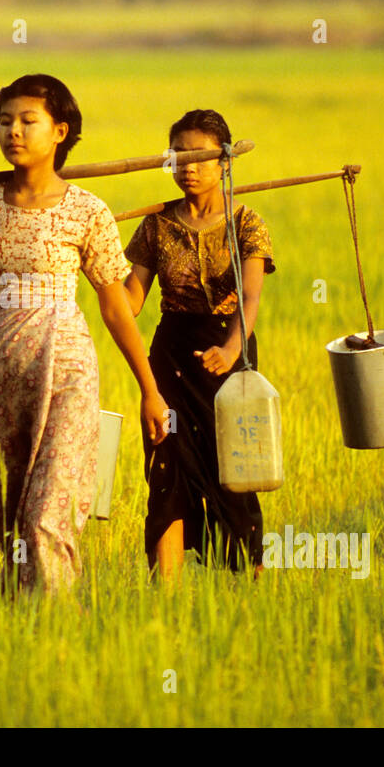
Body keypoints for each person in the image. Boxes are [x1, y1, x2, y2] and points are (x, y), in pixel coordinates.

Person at [0, 74, 169, 594]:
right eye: (5, 122)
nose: (13, 133)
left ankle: (61, 635)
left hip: (66, 365)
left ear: (60, 131)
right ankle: (24, 629)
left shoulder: (87, 211)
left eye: (28, 121)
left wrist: (150, 390)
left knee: (49, 516)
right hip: (0, 369)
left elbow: (115, 308)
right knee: (11, 523)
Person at [123, 109, 275, 580]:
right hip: (170, 355)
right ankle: (163, 592)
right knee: (166, 467)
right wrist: (94, 257)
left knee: (235, 467)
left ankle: (251, 579)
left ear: (224, 163)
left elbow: (249, 298)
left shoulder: (247, 223)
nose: (187, 166)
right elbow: (129, 303)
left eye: (199, 156)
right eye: (178, 156)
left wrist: (231, 350)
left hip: (230, 351)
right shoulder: (155, 226)